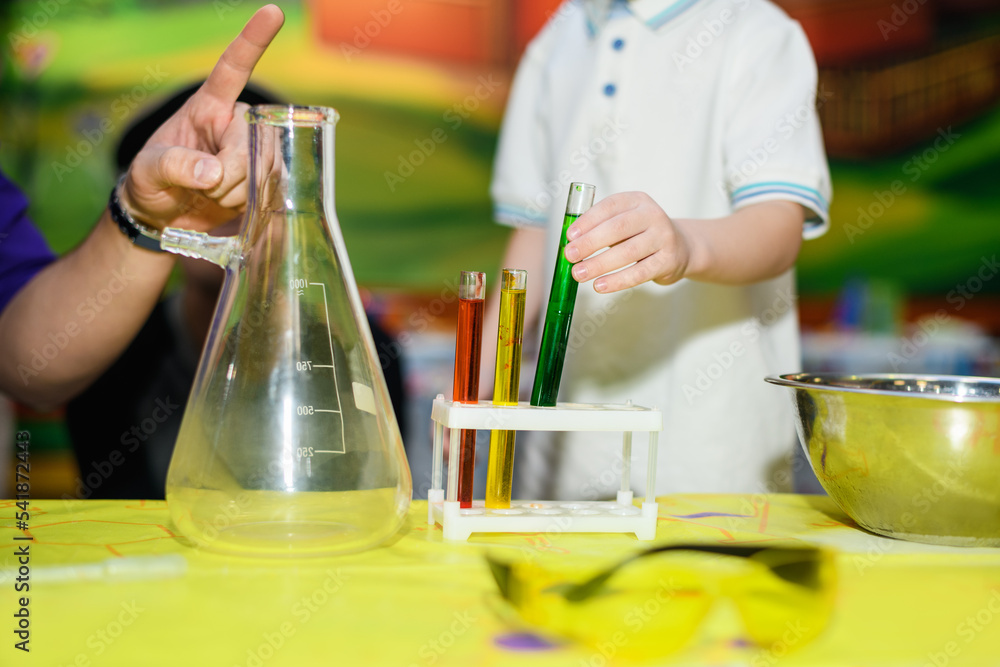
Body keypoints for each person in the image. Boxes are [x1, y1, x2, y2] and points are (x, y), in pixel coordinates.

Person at [485, 0, 831, 499]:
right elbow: (536, 230)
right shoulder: (558, 38)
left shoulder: (757, 31)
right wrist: (481, 379)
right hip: (558, 444)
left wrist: (686, 246)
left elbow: (779, 225)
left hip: (707, 450)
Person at [64, 83, 409, 499]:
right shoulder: (107, 358)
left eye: (254, 182)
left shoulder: (359, 354)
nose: (228, 205)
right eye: (201, 184)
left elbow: (363, 499)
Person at [0, 6, 285, 409]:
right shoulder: (122, 364)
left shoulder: (347, 349)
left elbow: (25, 353)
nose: (230, 202)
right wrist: (144, 215)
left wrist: (144, 214)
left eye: (260, 188)